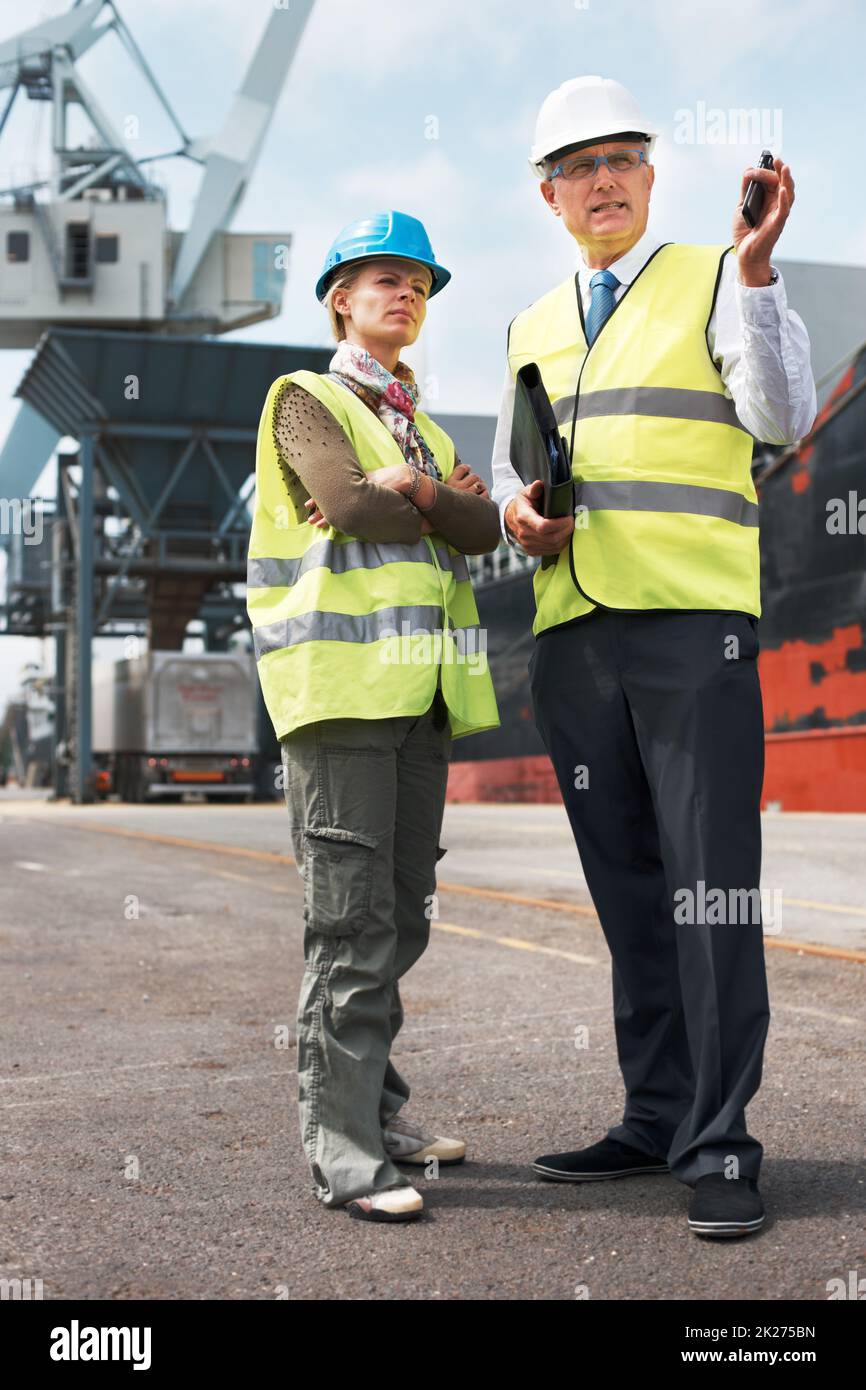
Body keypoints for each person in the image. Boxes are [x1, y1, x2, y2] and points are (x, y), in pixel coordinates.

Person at [491, 77, 817, 1238]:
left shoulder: (717, 276)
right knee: (630, 889)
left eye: (622, 155)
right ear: (549, 194)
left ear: (648, 170)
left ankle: (720, 1142)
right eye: (579, 165)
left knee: (708, 886)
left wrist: (762, 274)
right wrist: (514, 517)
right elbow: (502, 475)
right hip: (574, 638)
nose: (604, 179)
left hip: (689, 628)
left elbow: (776, 417)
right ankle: (656, 1113)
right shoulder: (529, 322)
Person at [246, 210, 501, 1222]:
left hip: (422, 694)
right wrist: (419, 496)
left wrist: (418, 486)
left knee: (397, 917)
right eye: (382, 278)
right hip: (342, 696)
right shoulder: (303, 398)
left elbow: (480, 531)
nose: (404, 294)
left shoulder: (423, 427)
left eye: (418, 284)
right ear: (339, 297)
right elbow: (346, 506)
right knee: (348, 924)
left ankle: (375, 1105)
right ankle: (343, 1152)